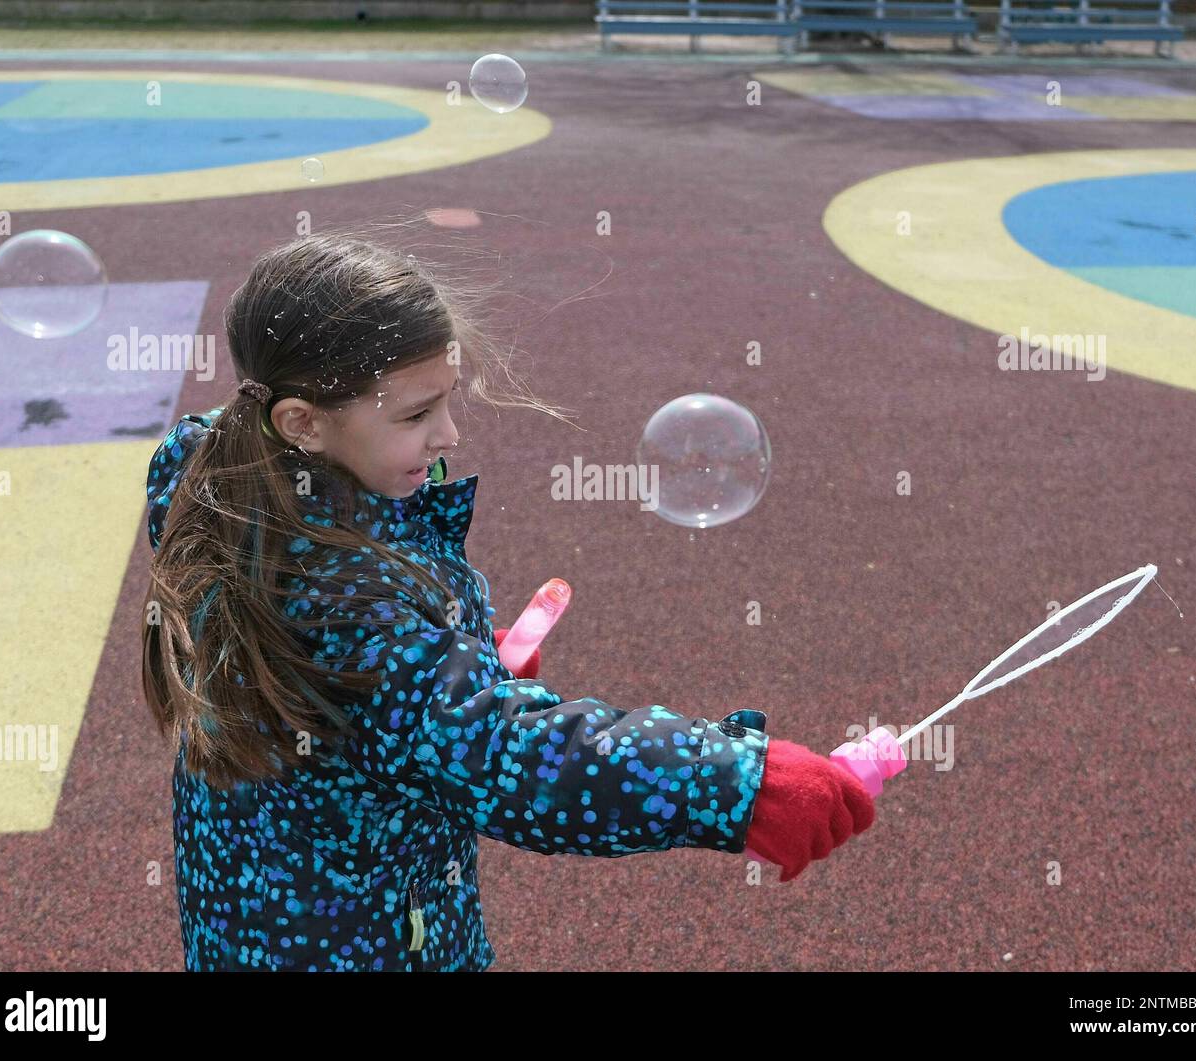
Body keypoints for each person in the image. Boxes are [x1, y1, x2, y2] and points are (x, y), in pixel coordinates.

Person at [142, 229, 876, 972]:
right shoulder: (346, 615)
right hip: (369, 947)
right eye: (415, 415)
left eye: (447, 401)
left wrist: (446, 658)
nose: (448, 433)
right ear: (302, 421)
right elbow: (511, 754)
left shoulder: (216, 467)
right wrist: (742, 784)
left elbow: (376, 691)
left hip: (249, 921)